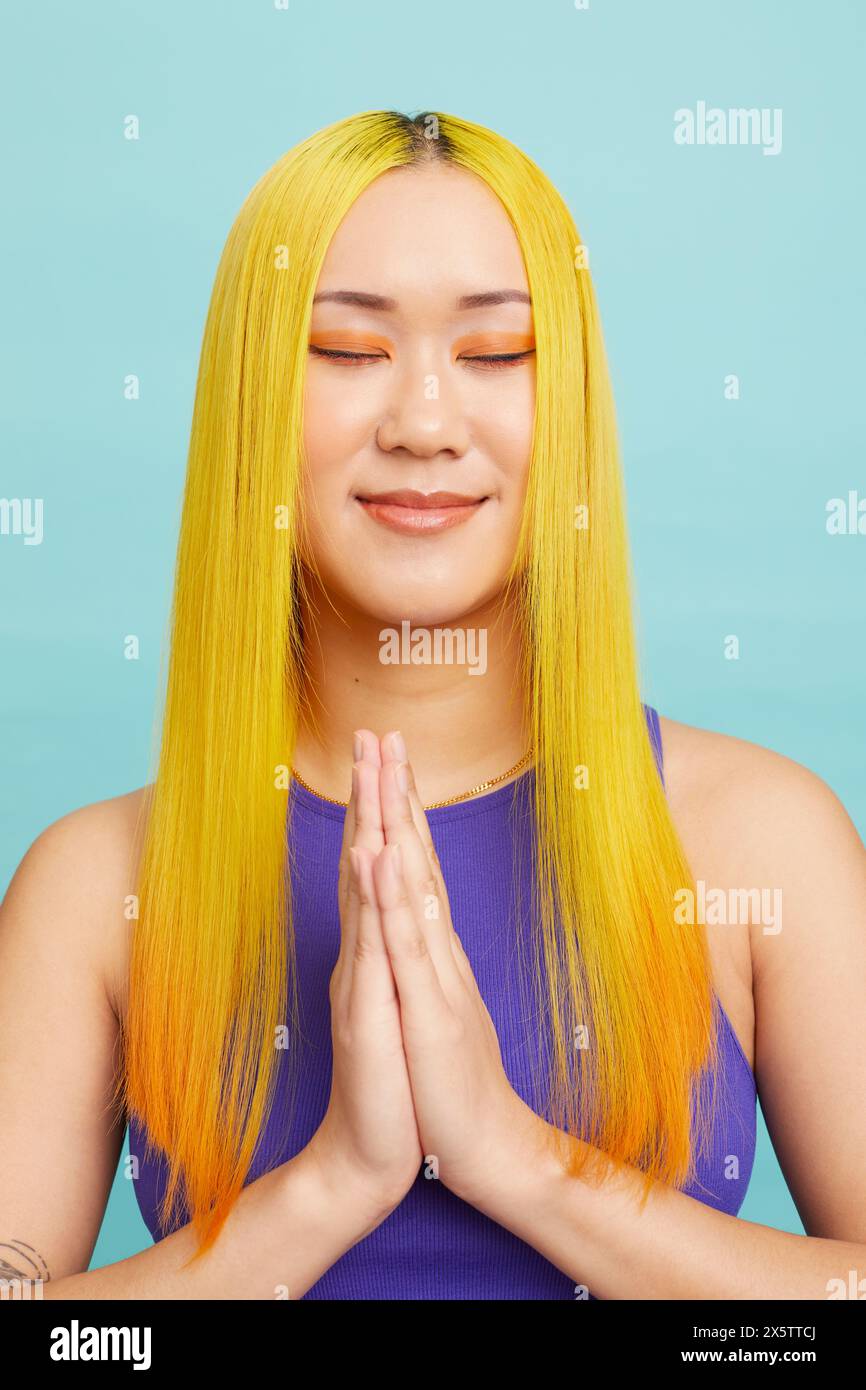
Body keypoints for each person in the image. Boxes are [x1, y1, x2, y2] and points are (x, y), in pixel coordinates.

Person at [1, 110, 864, 1301]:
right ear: (252, 404)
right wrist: (328, 1187)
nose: (420, 423)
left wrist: (518, 1162)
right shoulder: (96, 883)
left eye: (497, 353)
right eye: (347, 351)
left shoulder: (758, 838)